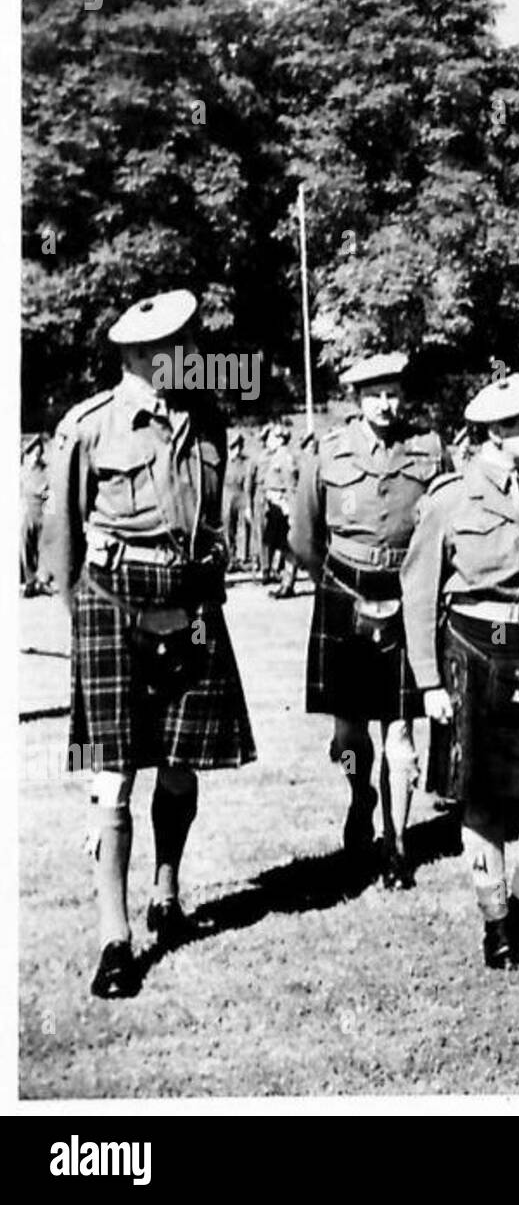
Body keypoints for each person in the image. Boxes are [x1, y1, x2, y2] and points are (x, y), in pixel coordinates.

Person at [42, 289, 255, 998]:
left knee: (180, 762)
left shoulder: (207, 417)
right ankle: (115, 936)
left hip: (189, 604)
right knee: (112, 775)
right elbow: (63, 540)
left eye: (191, 344)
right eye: (177, 347)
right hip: (112, 609)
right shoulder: (91, 428)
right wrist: (82, 618)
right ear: (137, 357)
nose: (192, 356)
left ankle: (167, 888)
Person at [401, 372, 519, 970]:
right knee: (480, 801)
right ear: (497, 429)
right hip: (473, 654)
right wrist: (429, 683)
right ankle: (498, 923)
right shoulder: (451, 498)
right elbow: (418, 594)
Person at [289, 352, 444, 888]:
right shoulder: (327, 451)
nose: (385, 403)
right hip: (343, 592)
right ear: (357, 398)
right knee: (351, 732)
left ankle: (396, 847)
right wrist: (331, 584)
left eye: (393, 392)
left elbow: (442, 526)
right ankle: (361, 795)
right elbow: (303, 537)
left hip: (405, 594)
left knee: (400, 731)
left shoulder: (428, 449)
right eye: (374, 393)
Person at [259, 424, 298, 596]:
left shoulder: (285, 458)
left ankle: (288, 584)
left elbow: (290, 486)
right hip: (275, 507)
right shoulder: (276, 456)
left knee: (288, 546)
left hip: (283, 507)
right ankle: (285, 582)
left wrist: (292, 512)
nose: (267, 442)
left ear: (280, 439)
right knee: (281, 545)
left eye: (271, 438)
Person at [20, 435, 49, 596]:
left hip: (42, 514)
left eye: (39, 450)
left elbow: (50, 494)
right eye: (33, 451)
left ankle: (42, 582)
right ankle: (29, 581)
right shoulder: (21, 471)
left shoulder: (46, 470)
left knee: (44, 548)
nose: (37, 454)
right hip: (25, 513)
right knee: (25, 547)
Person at [223, 432, 251, 569]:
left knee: (244, 527)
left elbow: (248, 481)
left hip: (241, 494)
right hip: (227, 496)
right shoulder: (224, 462)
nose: (237, 449)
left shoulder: (245, 462)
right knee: (228, 528)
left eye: (239, 445)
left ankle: (243, 558)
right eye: (234, 446)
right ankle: (230, 558)